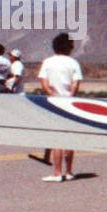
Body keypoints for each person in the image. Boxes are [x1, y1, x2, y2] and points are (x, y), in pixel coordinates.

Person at [38, 33, 82, 182]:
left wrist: (52, 94)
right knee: (69, 138)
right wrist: (70, 96)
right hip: (69, 102)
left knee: (57, 139)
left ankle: (57, 172)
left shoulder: (48, 62)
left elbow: (44, 83)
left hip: (54, 101)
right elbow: (76, 83)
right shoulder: (73, 63)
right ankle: (69, 171)